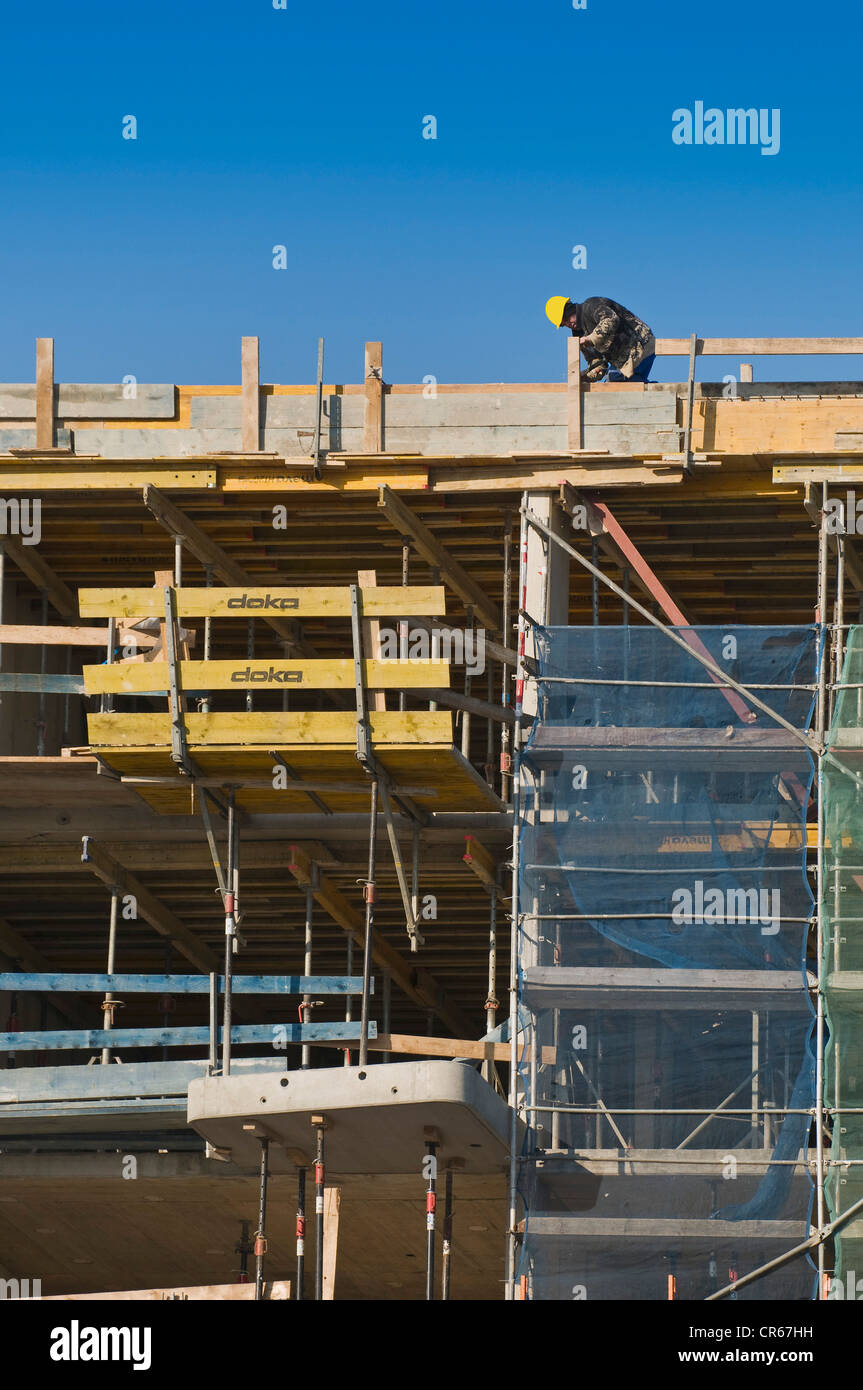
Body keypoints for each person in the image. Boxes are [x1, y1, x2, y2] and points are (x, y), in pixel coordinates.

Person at [545, 295, 656, 383]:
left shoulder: (591, 306)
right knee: (617, 387)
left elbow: (611, 319)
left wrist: (590, 339)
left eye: (566, 319)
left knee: (615, 378)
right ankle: (659, 395)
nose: (568, 324)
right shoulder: (579, 334)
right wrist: (585, 377)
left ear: (569, 310)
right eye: (563, 324)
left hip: (641, 342)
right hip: (625, 359)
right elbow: (597, 363)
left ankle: (660, 395)